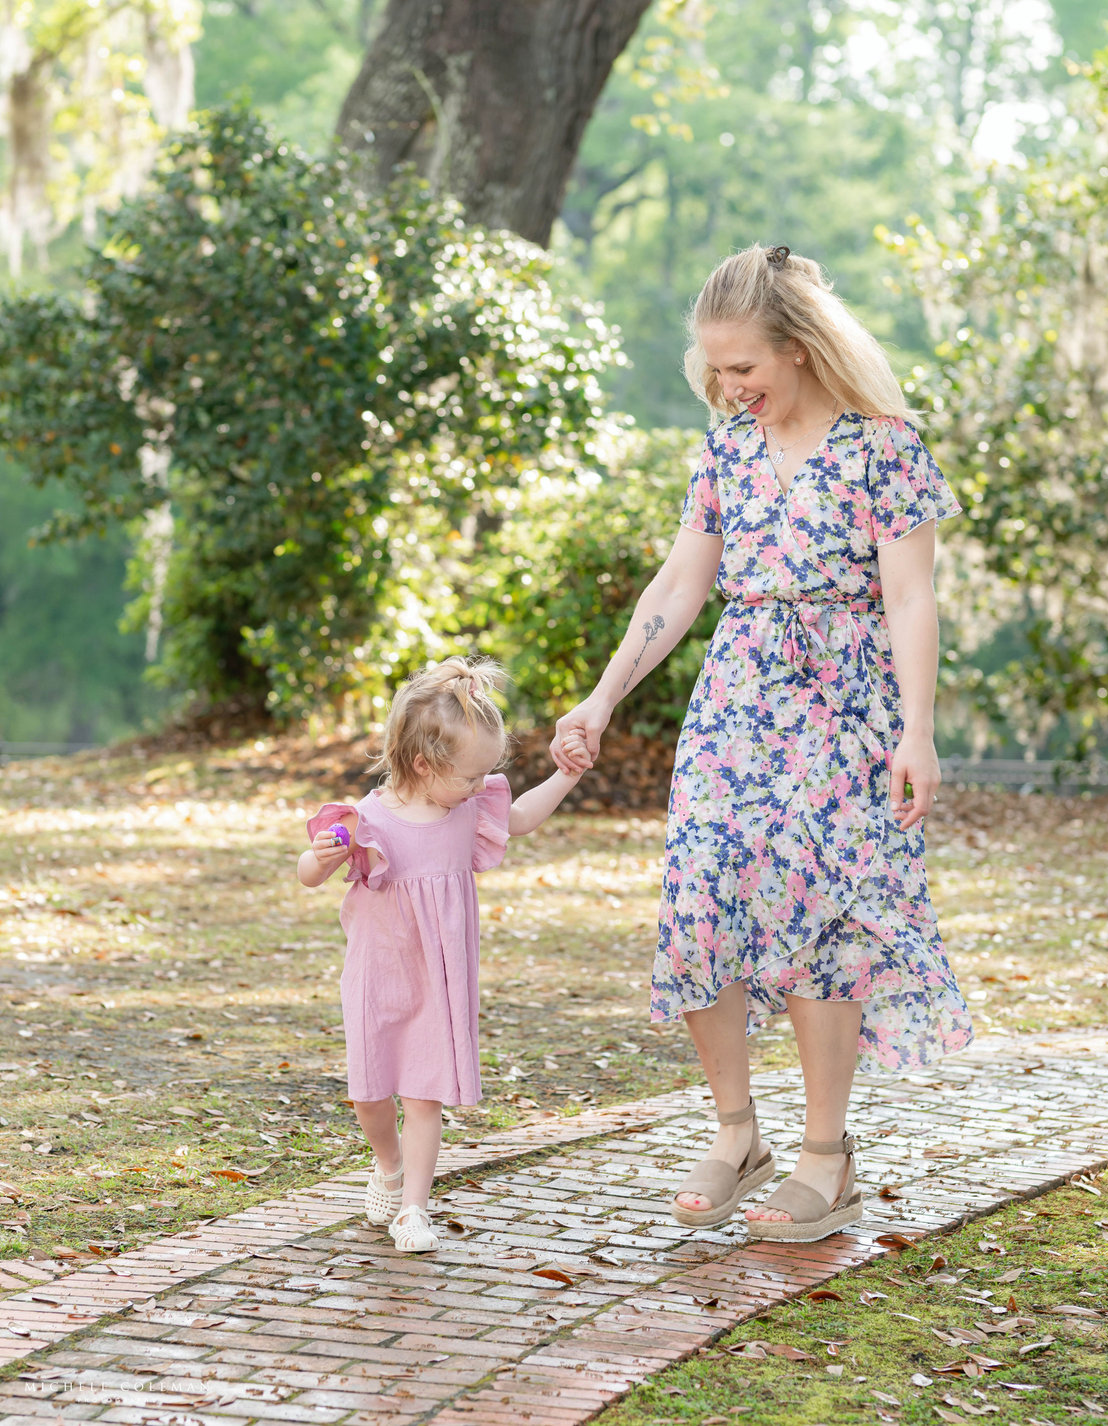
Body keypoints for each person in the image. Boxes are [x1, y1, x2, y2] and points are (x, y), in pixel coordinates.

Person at [552, 244, 972, 1243]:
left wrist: (916, 731)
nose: (729, 384)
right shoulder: (725, 451)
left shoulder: (883, 448)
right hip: (735, 700)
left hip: (845, 705)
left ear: (799, 346)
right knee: (701, 899)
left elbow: (911, 598)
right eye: (714, 368)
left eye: (743, 365)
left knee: (824, 913)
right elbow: (678, 585)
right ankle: (737, 1135)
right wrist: (601, 698)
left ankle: (826, 1155)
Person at [301, 656, 587, 1253]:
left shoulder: (467, 808)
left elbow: (521, 818)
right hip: (379, 975)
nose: (481, 786)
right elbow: (308, 873)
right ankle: (389, 1165)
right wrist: (320, 858)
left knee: (423, 1092)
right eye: (471, 776)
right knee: (370, 1095)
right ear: (424, 764)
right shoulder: (367, 820)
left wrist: (566, 775)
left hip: (440, 977)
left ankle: (413, 1210)